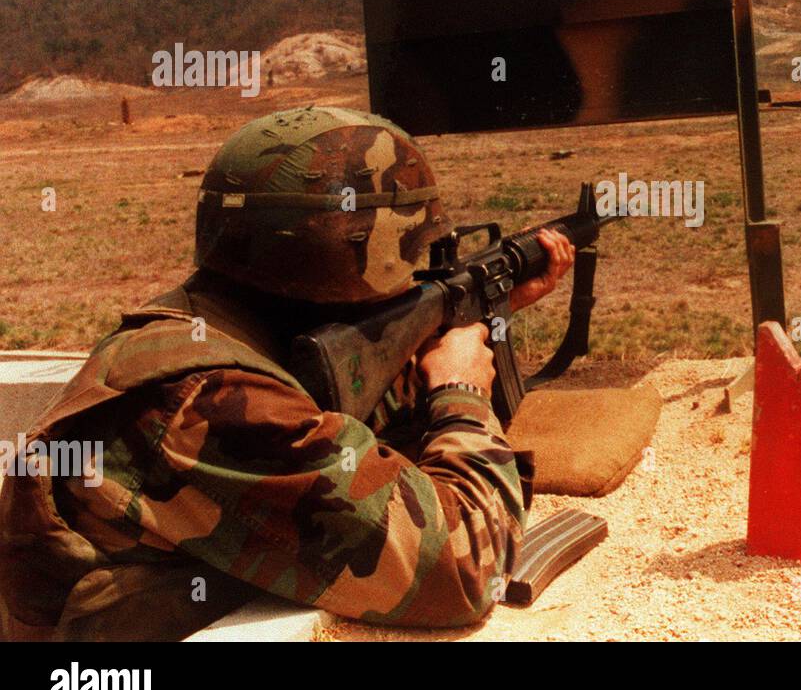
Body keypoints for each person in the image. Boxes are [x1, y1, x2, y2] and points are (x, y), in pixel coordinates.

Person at [0, 106, 574, 640]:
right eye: (412, 260)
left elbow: (352, 414)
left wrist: (473, 314)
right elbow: (458, 571)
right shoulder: (210, 402)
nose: (416, 281)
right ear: (363, 250)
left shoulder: (222, 324)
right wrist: (462, 391)